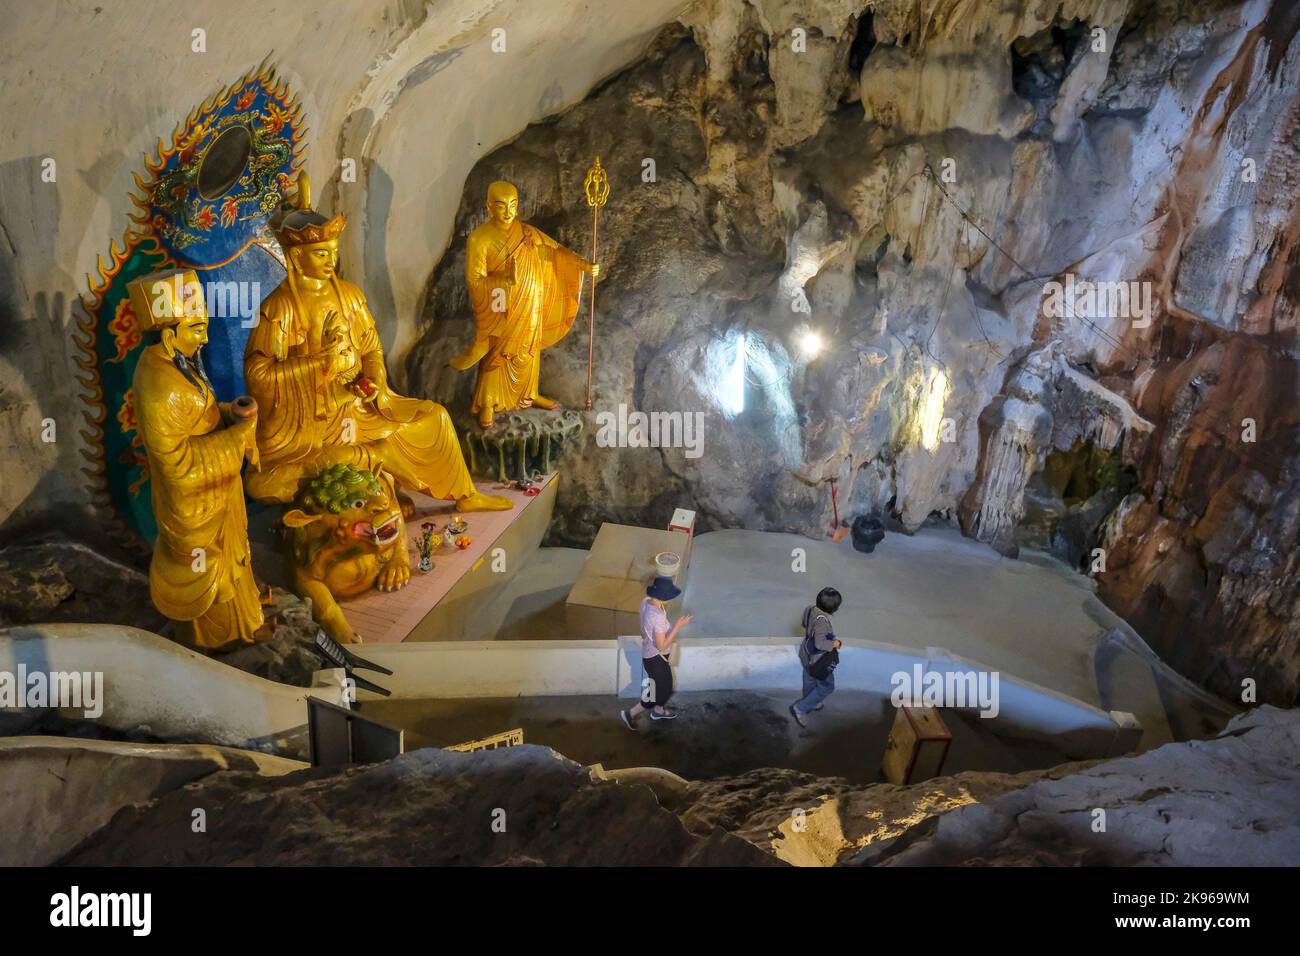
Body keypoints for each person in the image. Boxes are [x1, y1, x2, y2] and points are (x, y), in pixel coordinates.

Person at [621, 577, 693, 727]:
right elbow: (661, 646)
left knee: (660, 687)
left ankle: (658, 711)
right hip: (656, 658)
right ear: (663, 596)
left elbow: (642, 628)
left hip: (649, 655)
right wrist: (678, 626)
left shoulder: (646, 601)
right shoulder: (657, 617)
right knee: (660, 691)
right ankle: (630, 713)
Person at [789, 587, 843, 727]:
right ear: (834, 609)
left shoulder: (810, 609)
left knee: (809, 680)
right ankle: (801, 708)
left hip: (806, 653)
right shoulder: (822, 622)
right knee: (827, 686)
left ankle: (811, 702)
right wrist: (835, 643)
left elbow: (805, 624)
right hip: (817, 660)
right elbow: (820, 644)